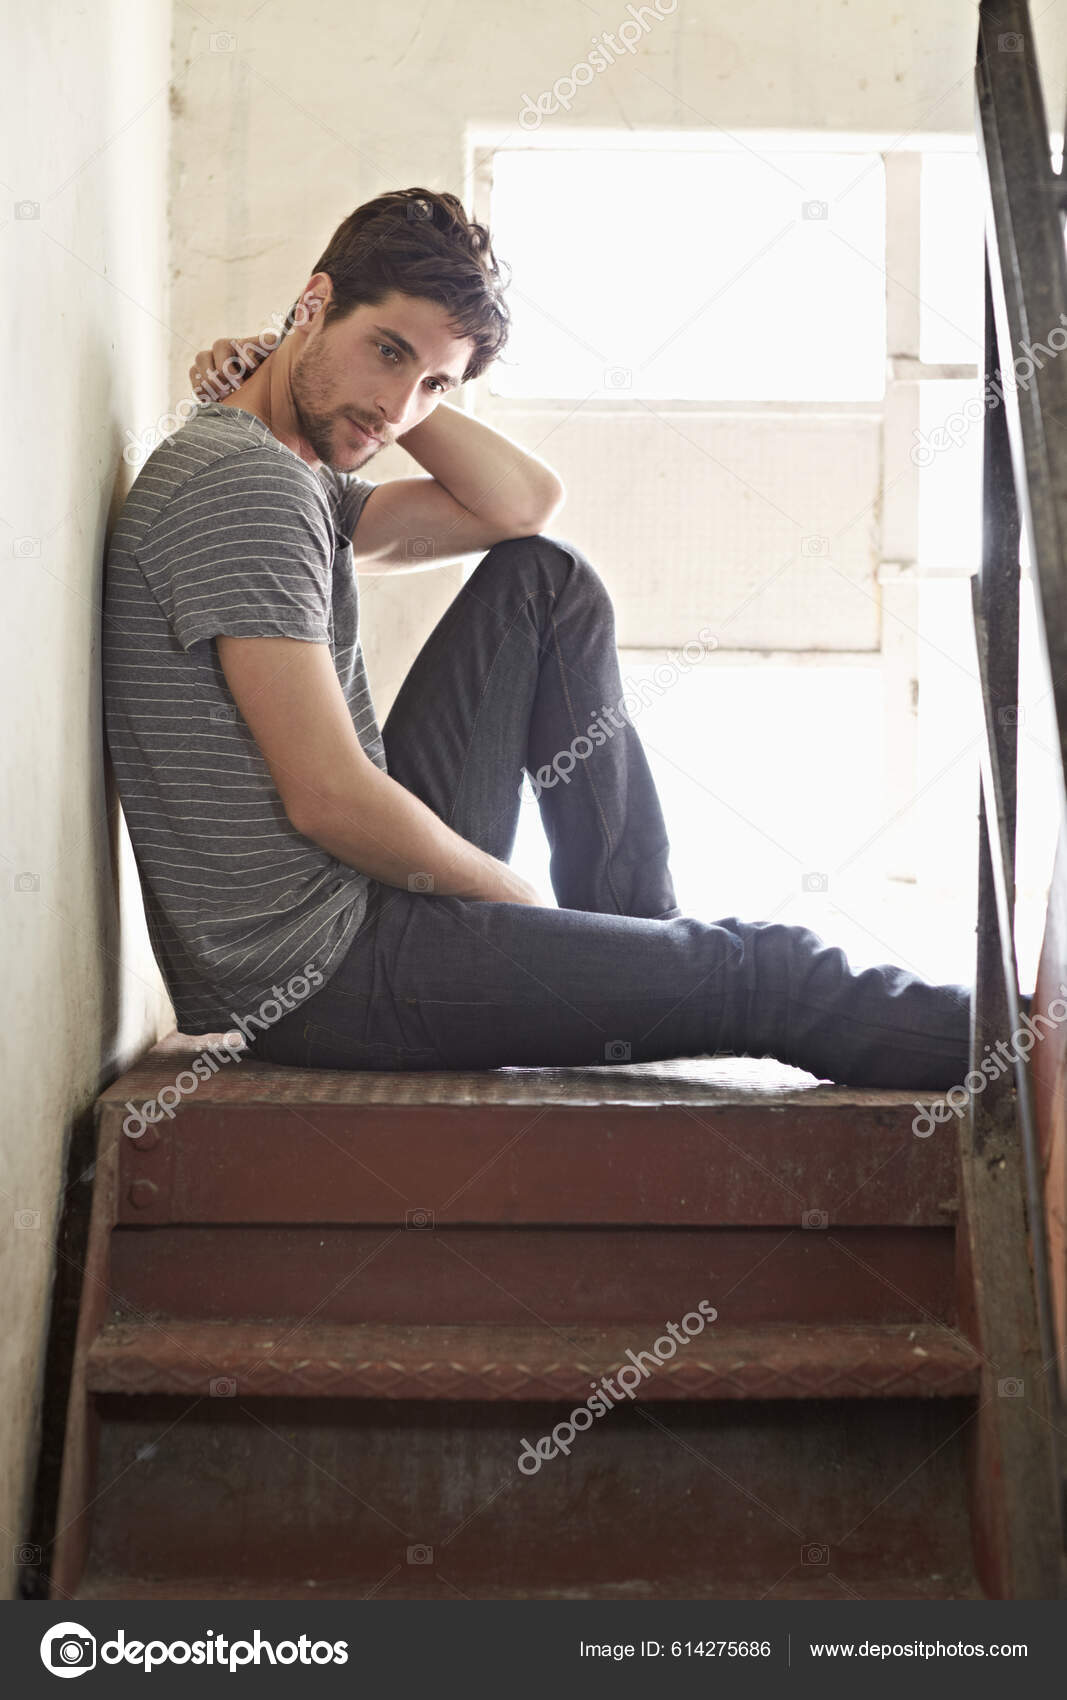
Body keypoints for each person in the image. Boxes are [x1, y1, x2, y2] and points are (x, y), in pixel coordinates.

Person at [103, 186, 972, 1088]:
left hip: (355, 913)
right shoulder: (247, 489)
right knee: (771, 970)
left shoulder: (291, 476)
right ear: (315, 302)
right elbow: (327, 798)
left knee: (543, 581)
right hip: (322, 972)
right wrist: (509, 900)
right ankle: (1020, 1060)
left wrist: (384, 388)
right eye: (387, 350)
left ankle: (643, 942)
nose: (399, 406)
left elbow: (521, 507)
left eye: (434, 383)